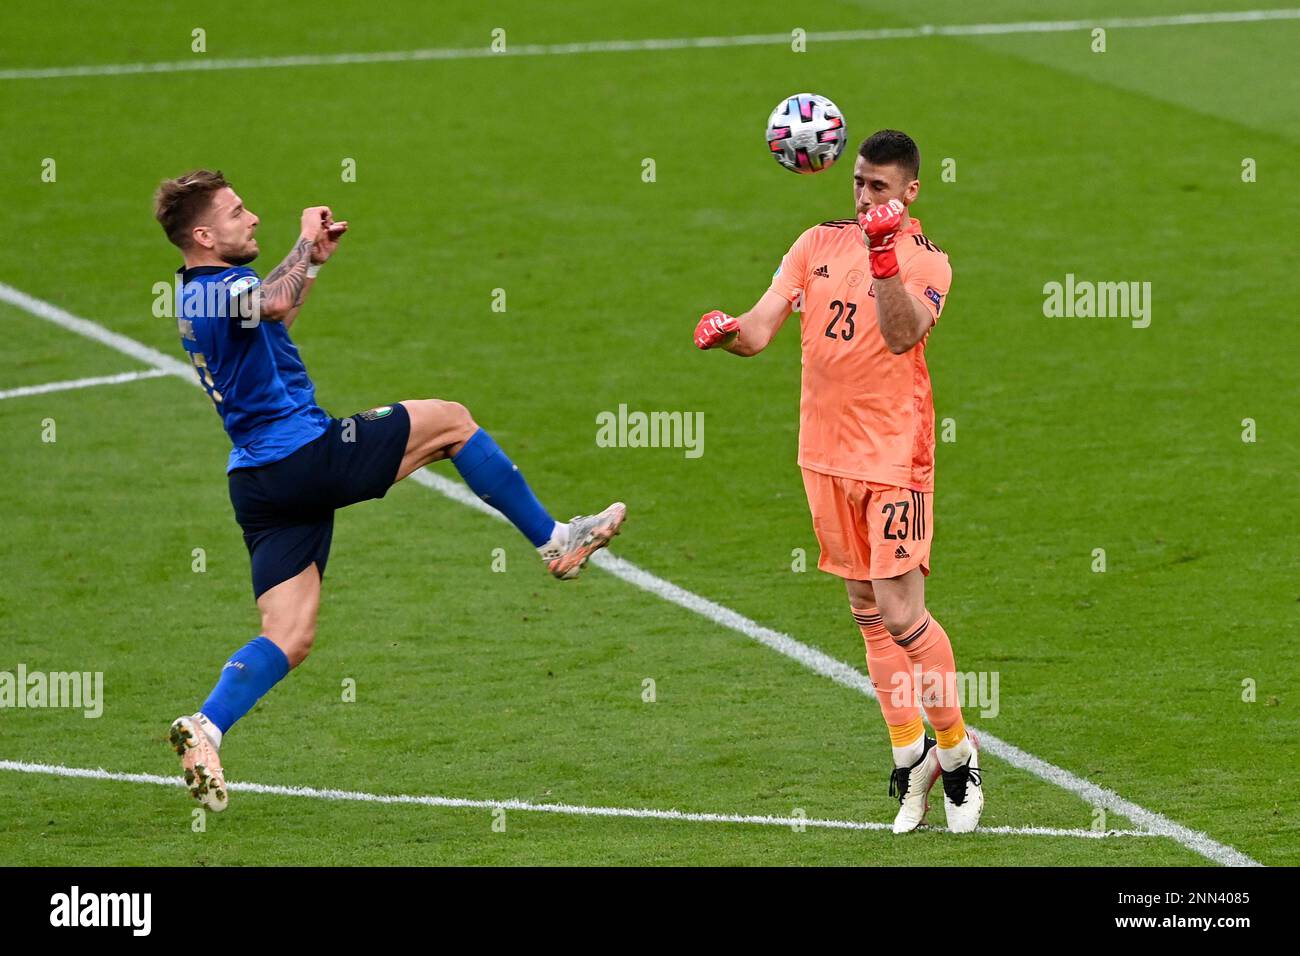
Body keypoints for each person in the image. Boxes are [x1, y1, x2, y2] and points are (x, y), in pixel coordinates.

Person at [154, 169, 625, 811]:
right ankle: (555, 541)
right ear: (204, 234)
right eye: (238, 212)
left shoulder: (193, 292)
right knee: (452, 420)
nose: (253, 217)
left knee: (289, 635)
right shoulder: (221, 287)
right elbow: (265, 301)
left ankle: (206, 728)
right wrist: (300, 245)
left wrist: (312, 262)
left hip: (261, 485)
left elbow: (280, 308)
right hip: (304, 456)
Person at [693, 131, 982, 832]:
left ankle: (957, 753)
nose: (862, 196)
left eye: (878, 187)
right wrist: (728, 331)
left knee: (904, 613)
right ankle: (909, 756)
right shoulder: (815, 243)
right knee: (864, 607)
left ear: (910, 191)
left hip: (892, 456)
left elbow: (905, 333)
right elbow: (763, 330)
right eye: (857, 182)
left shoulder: (927, 260)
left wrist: (883, 260)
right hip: (822, 454)